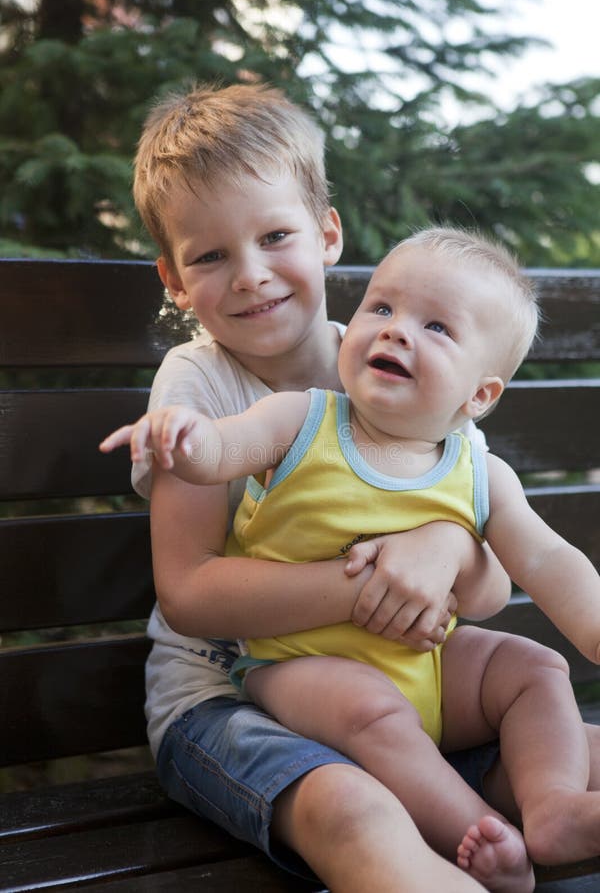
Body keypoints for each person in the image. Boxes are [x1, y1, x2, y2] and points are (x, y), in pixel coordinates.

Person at [98, 80, 511, 892]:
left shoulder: (397, 363)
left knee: (563, 740)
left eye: (275, 236)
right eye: (211, 256)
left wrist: (448, 543)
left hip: (407, 691)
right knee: (353, 811)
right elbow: (190, 593)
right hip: (229, 703)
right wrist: (365, 590)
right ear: (174, 279)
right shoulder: (198, 385)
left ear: (327, 234)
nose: (250, 276)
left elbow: (491, 587)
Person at [103, 226, 600, 893]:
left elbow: (546, 558)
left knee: (536, 667)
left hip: (428, 670)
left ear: (478, 397)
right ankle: (480, 833)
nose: (396, 330)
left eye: (436, 327)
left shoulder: (480, 472)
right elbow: (220, 452)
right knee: (371, 707)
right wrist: (183, 437)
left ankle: (554, 808)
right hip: (302, 667)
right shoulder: (303, 420)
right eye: (382, 307)